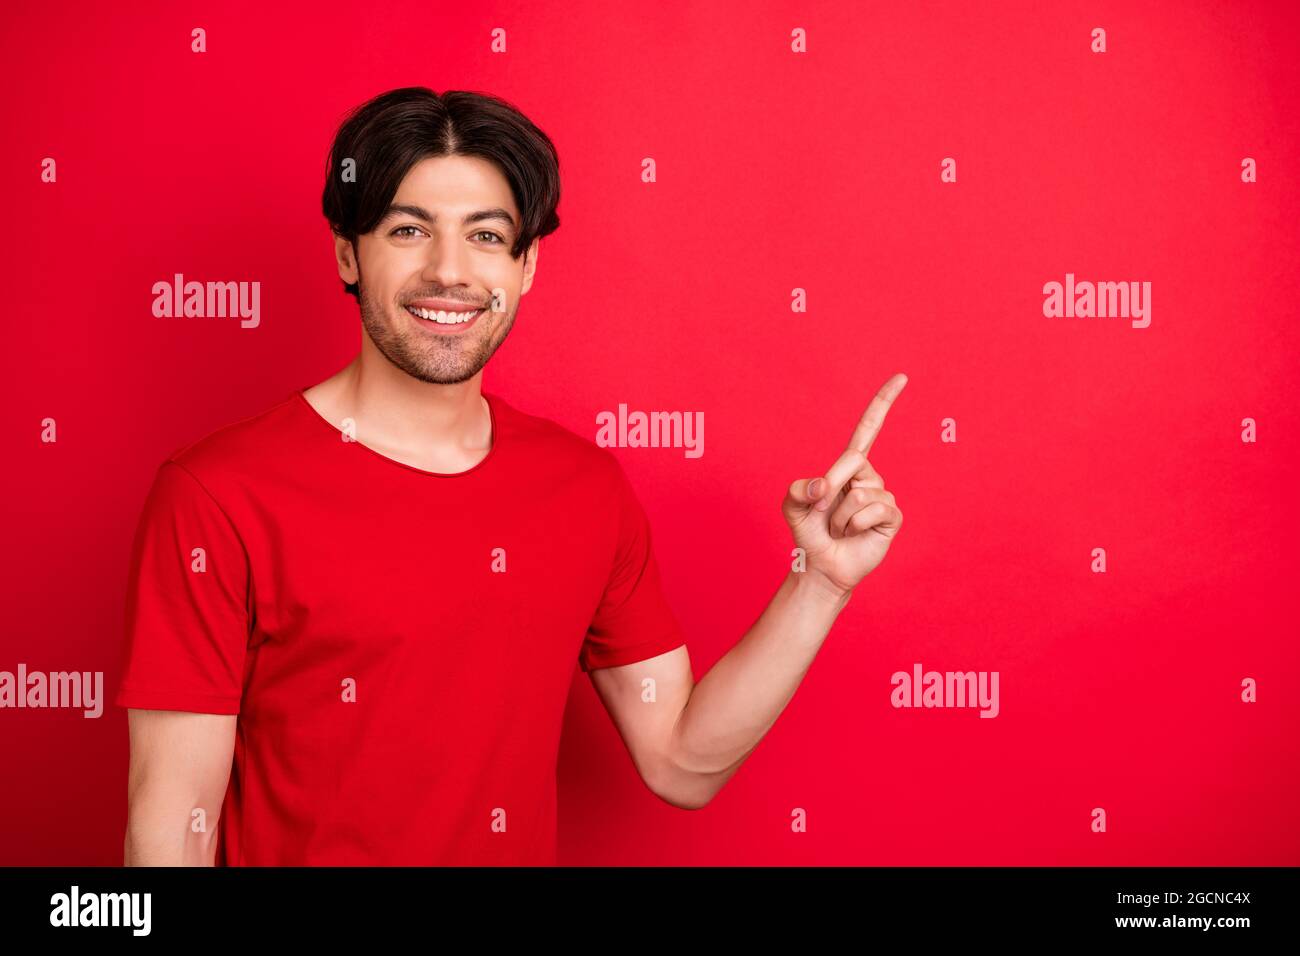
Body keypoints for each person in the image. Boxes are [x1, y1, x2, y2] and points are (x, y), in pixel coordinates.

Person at [116, 86, 907, 866]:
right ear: (347, 252)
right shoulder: (218, 494)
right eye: (408, 229)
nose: (449, 271)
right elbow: (171, 834)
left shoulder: (585, 488)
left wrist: (820, 584)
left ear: (526, 264)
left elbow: (680, 762)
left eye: (487, 237)